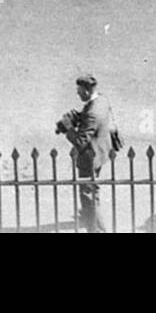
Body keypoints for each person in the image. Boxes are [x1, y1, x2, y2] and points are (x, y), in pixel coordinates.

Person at [57, 74, 121, 234]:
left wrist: (68, 128)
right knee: (92, 190)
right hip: (101, 151)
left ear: (86, 90)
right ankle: (90, 216)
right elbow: (96, 117)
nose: (78, 94)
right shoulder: (101, 100)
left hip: (90, 157)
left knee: (88, 194)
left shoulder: (92, 114)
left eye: (79, 91)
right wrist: (78, 116)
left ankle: (97, 229)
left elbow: (80, 142)